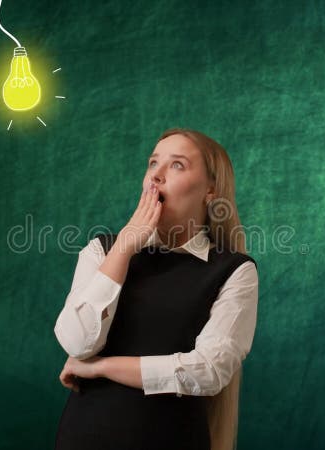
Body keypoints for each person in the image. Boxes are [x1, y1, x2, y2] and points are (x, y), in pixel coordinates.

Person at [53, 128, 259, 450]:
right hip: (82, 437)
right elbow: (77, 343)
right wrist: (124, 246)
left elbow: (208, 370)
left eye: (177, 165)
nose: (156, 176)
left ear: (210, 190)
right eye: (152, 163)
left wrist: (102, 367)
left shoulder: (234, 270)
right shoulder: (101, 250)